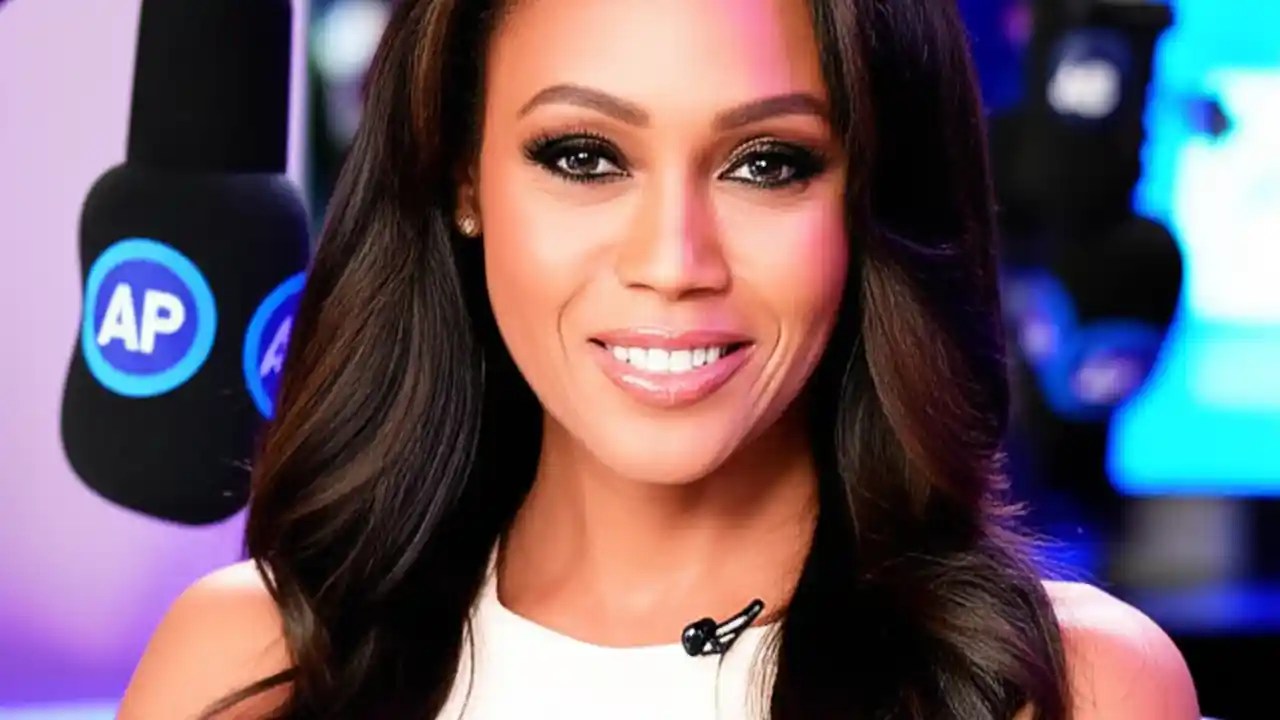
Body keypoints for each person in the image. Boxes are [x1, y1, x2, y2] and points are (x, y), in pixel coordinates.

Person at [118, 0, 1200, 718]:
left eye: (767, 163)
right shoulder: (247, 668)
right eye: (583, 156)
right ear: (461, 180)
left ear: (868, 195)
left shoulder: (1071, 688)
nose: (672, 262)